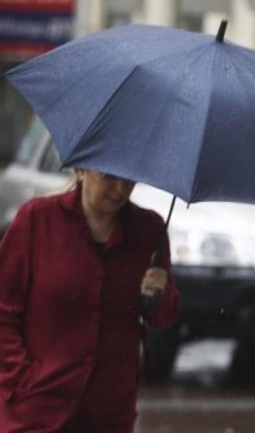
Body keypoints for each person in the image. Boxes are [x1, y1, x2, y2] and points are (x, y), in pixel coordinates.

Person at [0, 168, 179, 432]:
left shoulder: (149, 230)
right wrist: (20, 380)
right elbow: (3, 309)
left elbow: (163, 316)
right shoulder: (37, 219)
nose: (120, 189)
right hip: (36, 411)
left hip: (109, 412)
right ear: (81, 170)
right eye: (109, 177)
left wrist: (160, 293)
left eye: (129, 178)